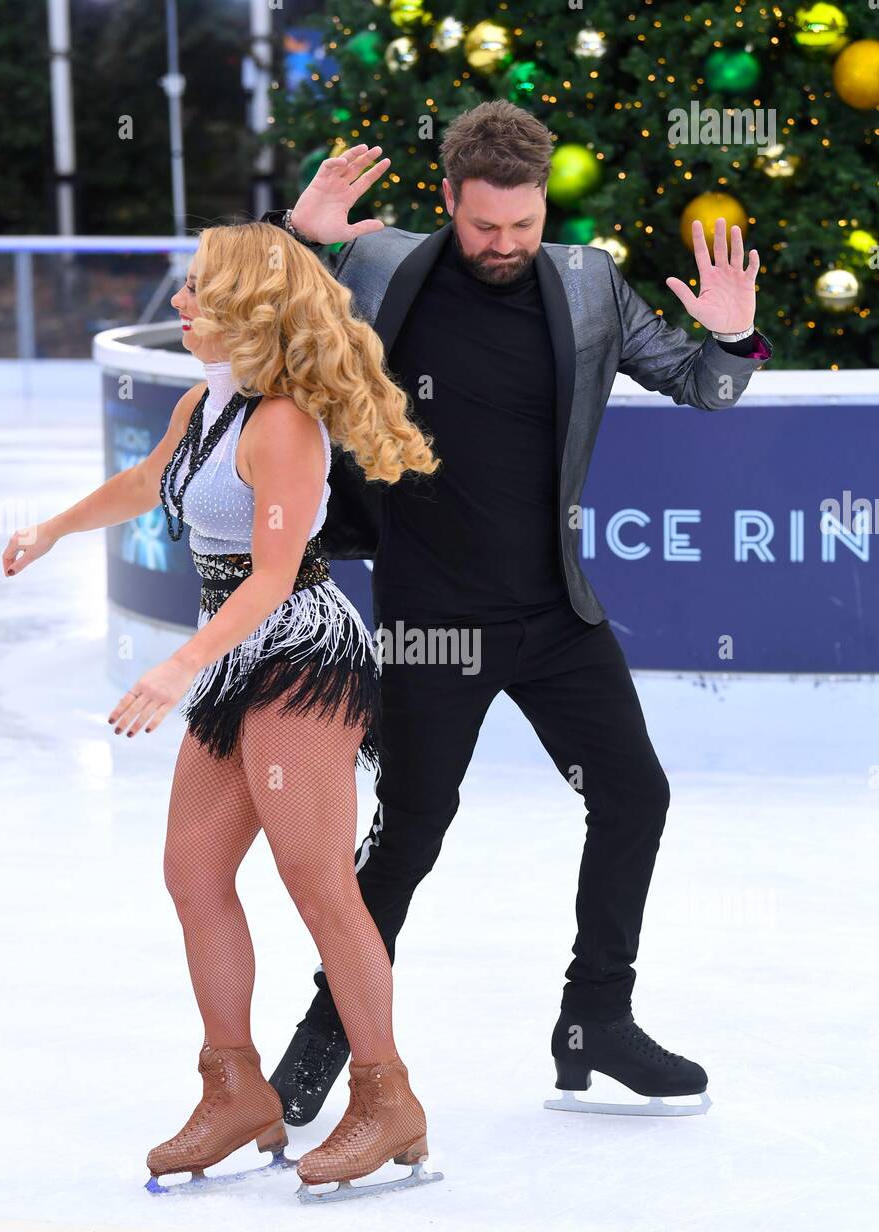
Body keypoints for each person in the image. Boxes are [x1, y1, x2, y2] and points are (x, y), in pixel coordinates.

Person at [264, 99, 774, 1121]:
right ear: (448, 198)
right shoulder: (376, 267)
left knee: (635, 795)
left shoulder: (585, 282)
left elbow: (697, 385)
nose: (503, 245)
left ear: (545, 205)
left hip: (553, 613)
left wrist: (734, 337)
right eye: (484, 225)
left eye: (523, 226)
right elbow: (247, 342)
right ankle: (330, 1034)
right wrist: (292, 240)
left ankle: (595, 1021)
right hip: (429, 617)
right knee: (408, 832)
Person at [1, 220, 442, 1194]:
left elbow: (276, 574)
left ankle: (386, 1094)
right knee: (193, 871)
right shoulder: (206, 402)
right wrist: (55, 527)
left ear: (249, 307)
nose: (183, 305)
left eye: (201, 291)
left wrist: (177, 666)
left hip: (296, 651)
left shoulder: (282, 421)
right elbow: (147, 480)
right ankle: (236, 1086)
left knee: (314, 877)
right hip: (234, 657)